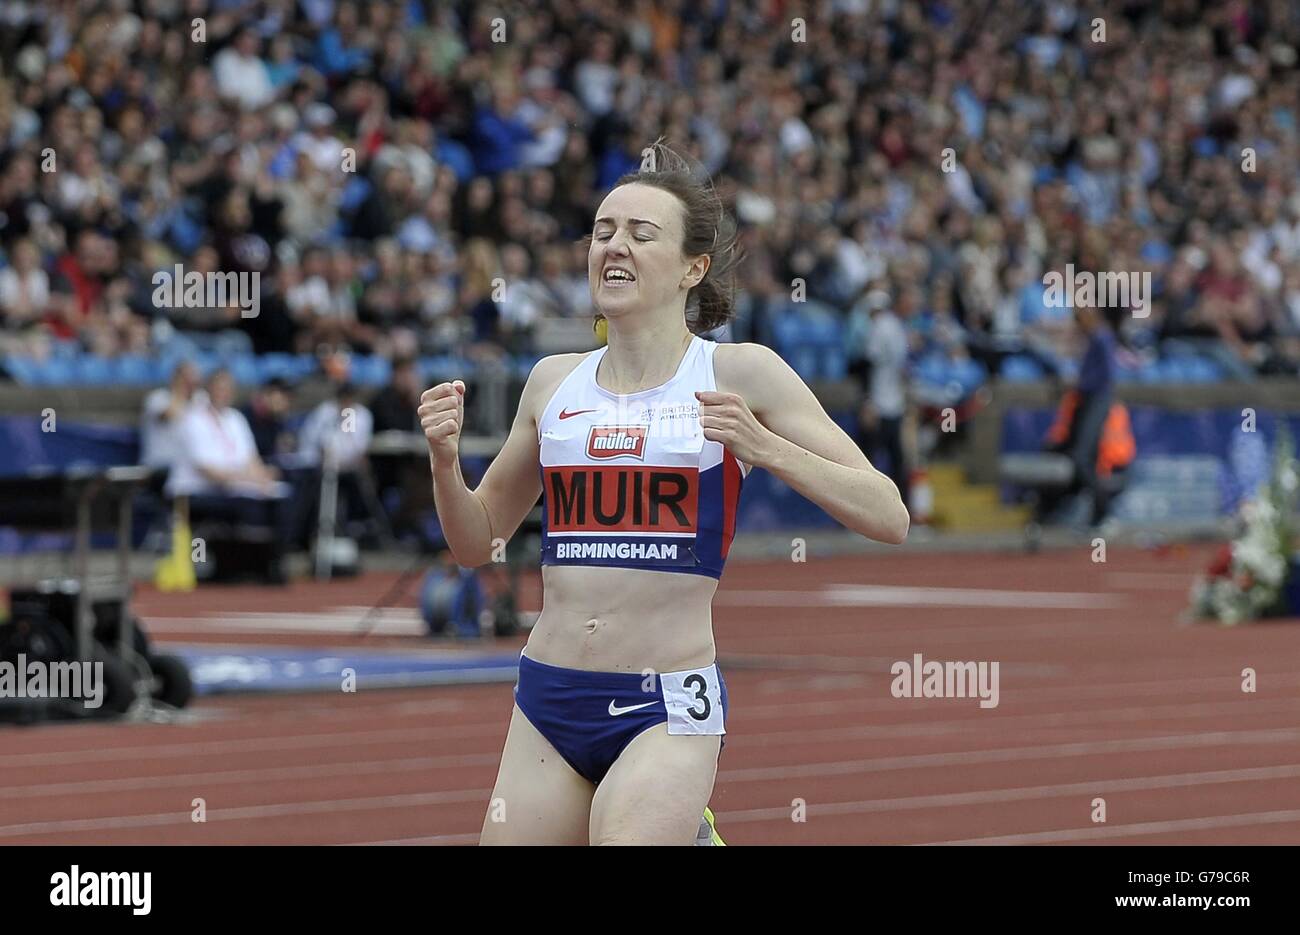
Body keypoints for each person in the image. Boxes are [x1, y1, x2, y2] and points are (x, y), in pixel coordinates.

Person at [420, 142, 909, 845]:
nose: (614, 246)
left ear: (692, 268)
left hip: (666, 706)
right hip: (548, 701)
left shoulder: (740, 373)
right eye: (603, 231)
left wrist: (765, 449)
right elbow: (475, 543)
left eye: (641, 234)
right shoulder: (554, 383)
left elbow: (888, 513)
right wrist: (443, 463)